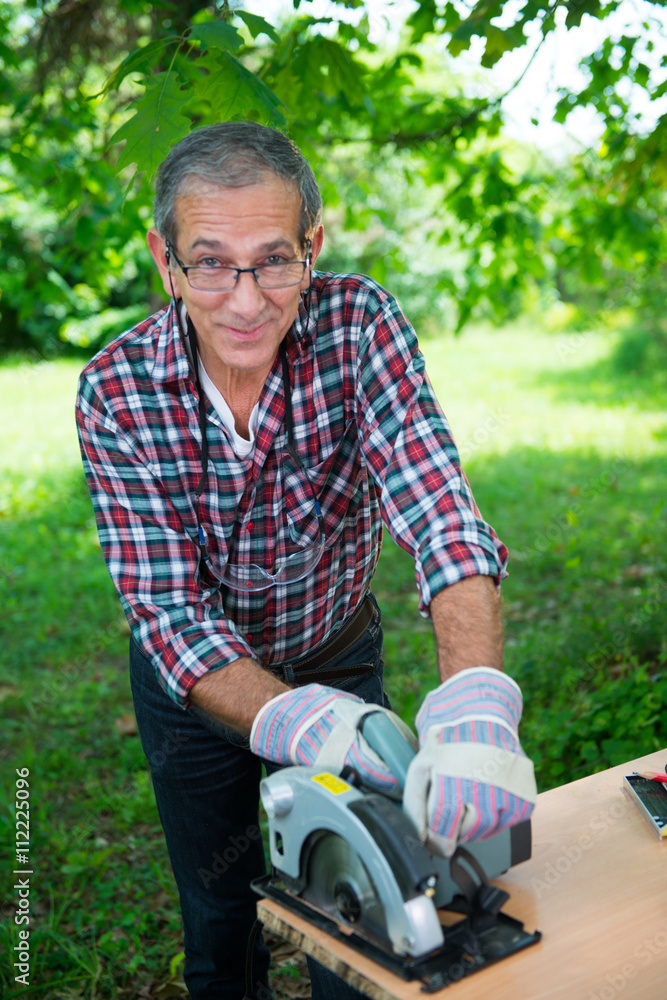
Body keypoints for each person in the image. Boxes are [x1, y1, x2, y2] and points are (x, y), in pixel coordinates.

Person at [76, 121, 536, 1000]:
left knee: (371, 903)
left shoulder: (359, 323)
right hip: (193, 692)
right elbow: (168, 614)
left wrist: (475, 698)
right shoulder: (115, 390)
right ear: (164, 260)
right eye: (210, 262)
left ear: (311, 248)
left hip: (338, 653)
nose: (245, 300)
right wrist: (292, 723)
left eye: (273, 260)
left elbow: (440, 513)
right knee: (220, 908)